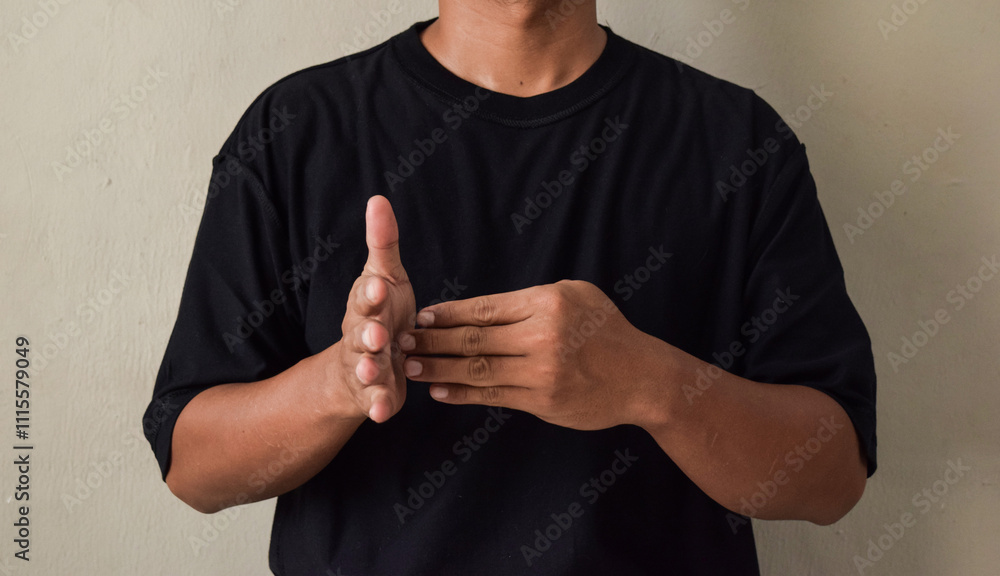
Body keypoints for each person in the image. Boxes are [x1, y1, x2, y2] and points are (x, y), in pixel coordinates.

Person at [143, 1, 878, 574]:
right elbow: (193, 467)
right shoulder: (294, 131)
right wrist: (343, 379)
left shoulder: (740, 144)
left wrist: (652, 383)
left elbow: (833, 476)